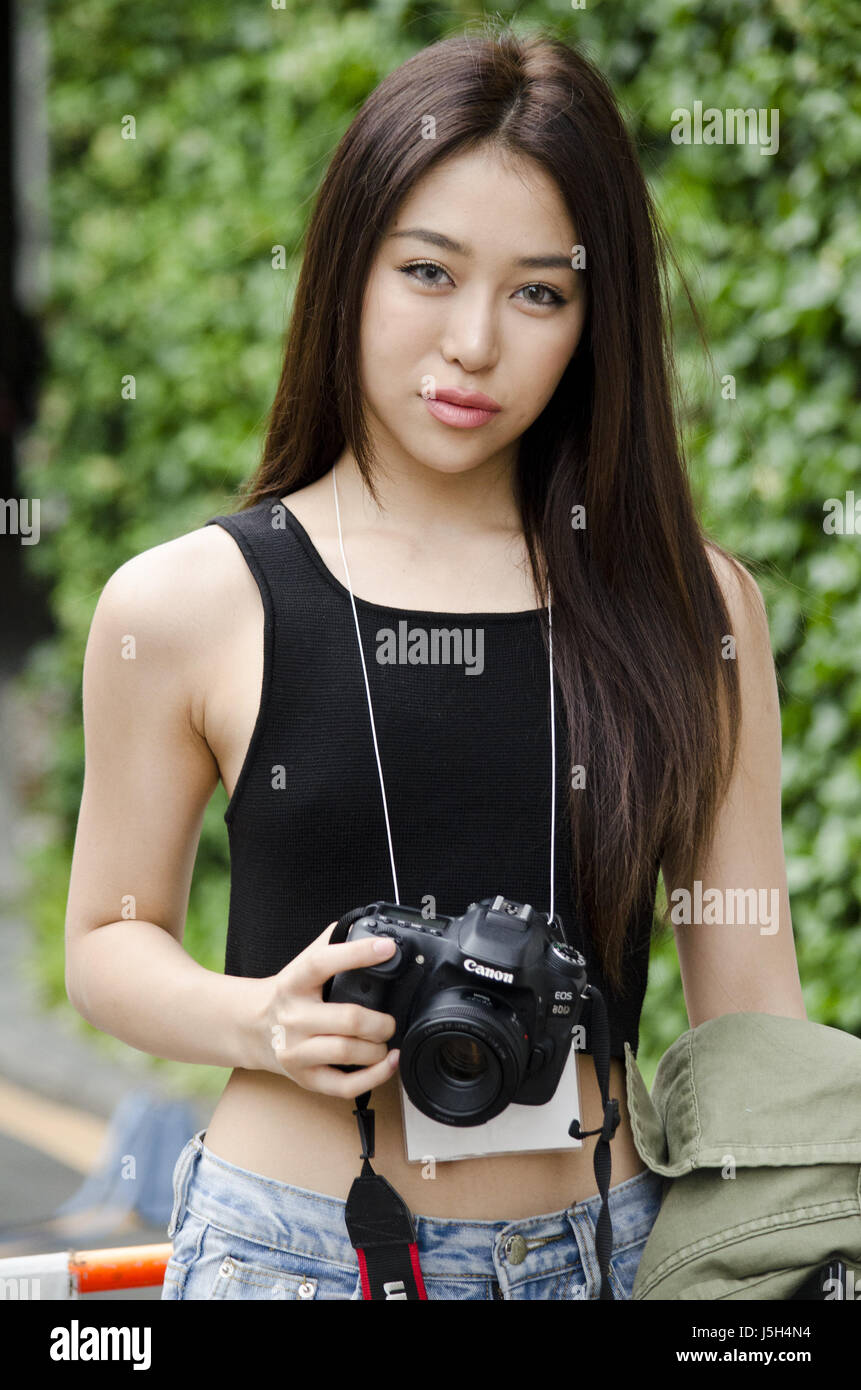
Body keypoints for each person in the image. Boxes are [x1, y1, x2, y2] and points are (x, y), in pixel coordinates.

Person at [64, 24, 807, 1301]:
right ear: (347, 271)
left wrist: (792, 1268)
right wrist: (265, 1020)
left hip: (612, 1255)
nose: (473, 342)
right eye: (427, 271)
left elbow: (749, 1011)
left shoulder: (692, 606)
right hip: (293, 1254)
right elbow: (106, 941)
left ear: (593, 319)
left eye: (539, 292)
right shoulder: (192, 601)